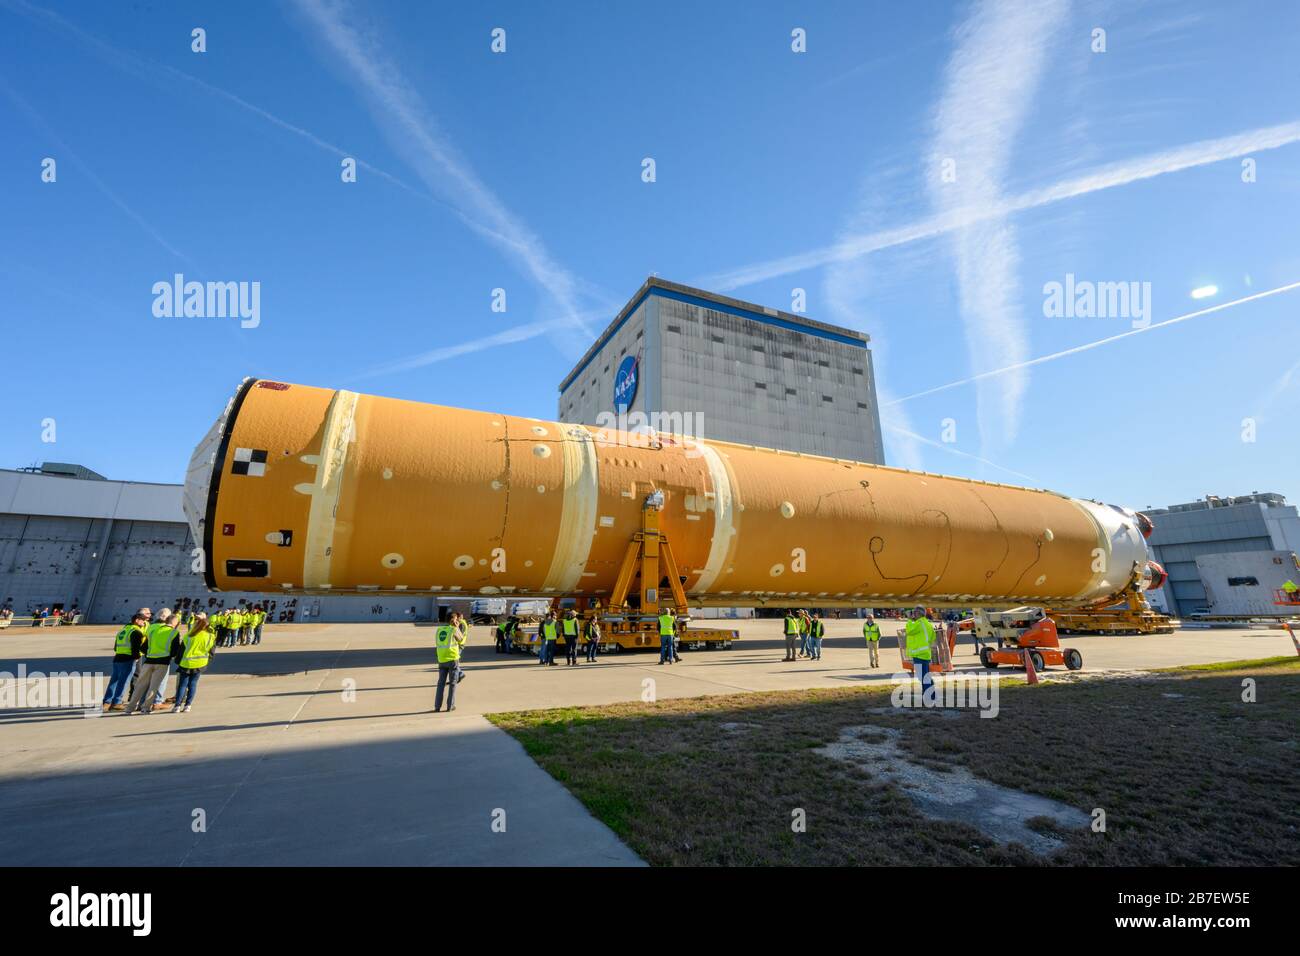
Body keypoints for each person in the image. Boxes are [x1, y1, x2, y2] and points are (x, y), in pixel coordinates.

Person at [123, 613, 181, 715]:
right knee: (153, 687)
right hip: (163, 662)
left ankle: (130, 708)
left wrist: (151, 653)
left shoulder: (154, 631)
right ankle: (145, 708)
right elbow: (175, 651)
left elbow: (143, 647)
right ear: (176, 623)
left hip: (148, 661)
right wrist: (169, 656)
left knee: (140, 685)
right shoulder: (174, 633)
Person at [102, 613, 148, 712]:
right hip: (128, 660)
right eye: (143, 620)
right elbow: (135, 649)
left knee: (114, 681)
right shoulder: (136, 632)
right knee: (124, 681)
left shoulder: (122, 631)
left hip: (117, 658)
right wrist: (137, 657)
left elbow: (115, 647)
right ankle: (117, 702)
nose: (144, 622)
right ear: (136, 620)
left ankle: (107, 702)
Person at [172, 613, 216, 713]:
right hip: (200, 664)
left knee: (182, 685)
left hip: (186, 663)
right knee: (193, 684)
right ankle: (188, 705)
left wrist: (178, 661)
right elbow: (212, 652)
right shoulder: (210, 637)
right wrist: (207, 661)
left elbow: (181, 651)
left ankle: (177, 706)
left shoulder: (188, 636)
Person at [433, 617, 467, 712]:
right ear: (452, 621)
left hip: (441, 659)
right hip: (452, 659)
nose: (457, 621)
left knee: (440, 684)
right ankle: (450, 706)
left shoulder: (439, 630)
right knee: (452, 683)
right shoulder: (453, 629)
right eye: (456, 620)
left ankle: (437, 706)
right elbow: (461, 640)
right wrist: (457, 627)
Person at [904, 605, 936, 700]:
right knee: (926, 676)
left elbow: (909, 631)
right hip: (925, 654)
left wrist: (909, 619)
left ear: (919, 613)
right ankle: (931, 695)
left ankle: (928, 697)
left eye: (915, 612)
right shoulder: (928, 624)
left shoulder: (919, 623)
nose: (913, 614)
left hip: (919, 655)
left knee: (922, 677)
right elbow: (932, 638)